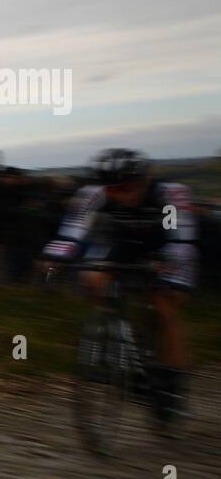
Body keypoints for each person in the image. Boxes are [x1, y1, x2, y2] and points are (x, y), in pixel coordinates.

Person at [41, 148, 197, 429]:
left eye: (126, 186)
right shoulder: (92, 194)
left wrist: (167, 264)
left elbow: (182, 240)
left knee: (164, 307)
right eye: (110, 188)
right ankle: (109, 335)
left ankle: (173, 380)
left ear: (145, 179)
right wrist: (53, 259)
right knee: (92, 276)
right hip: (121, 247)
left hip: (165, 248)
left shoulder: (171, 193)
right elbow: (71, 233)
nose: (118, 194)